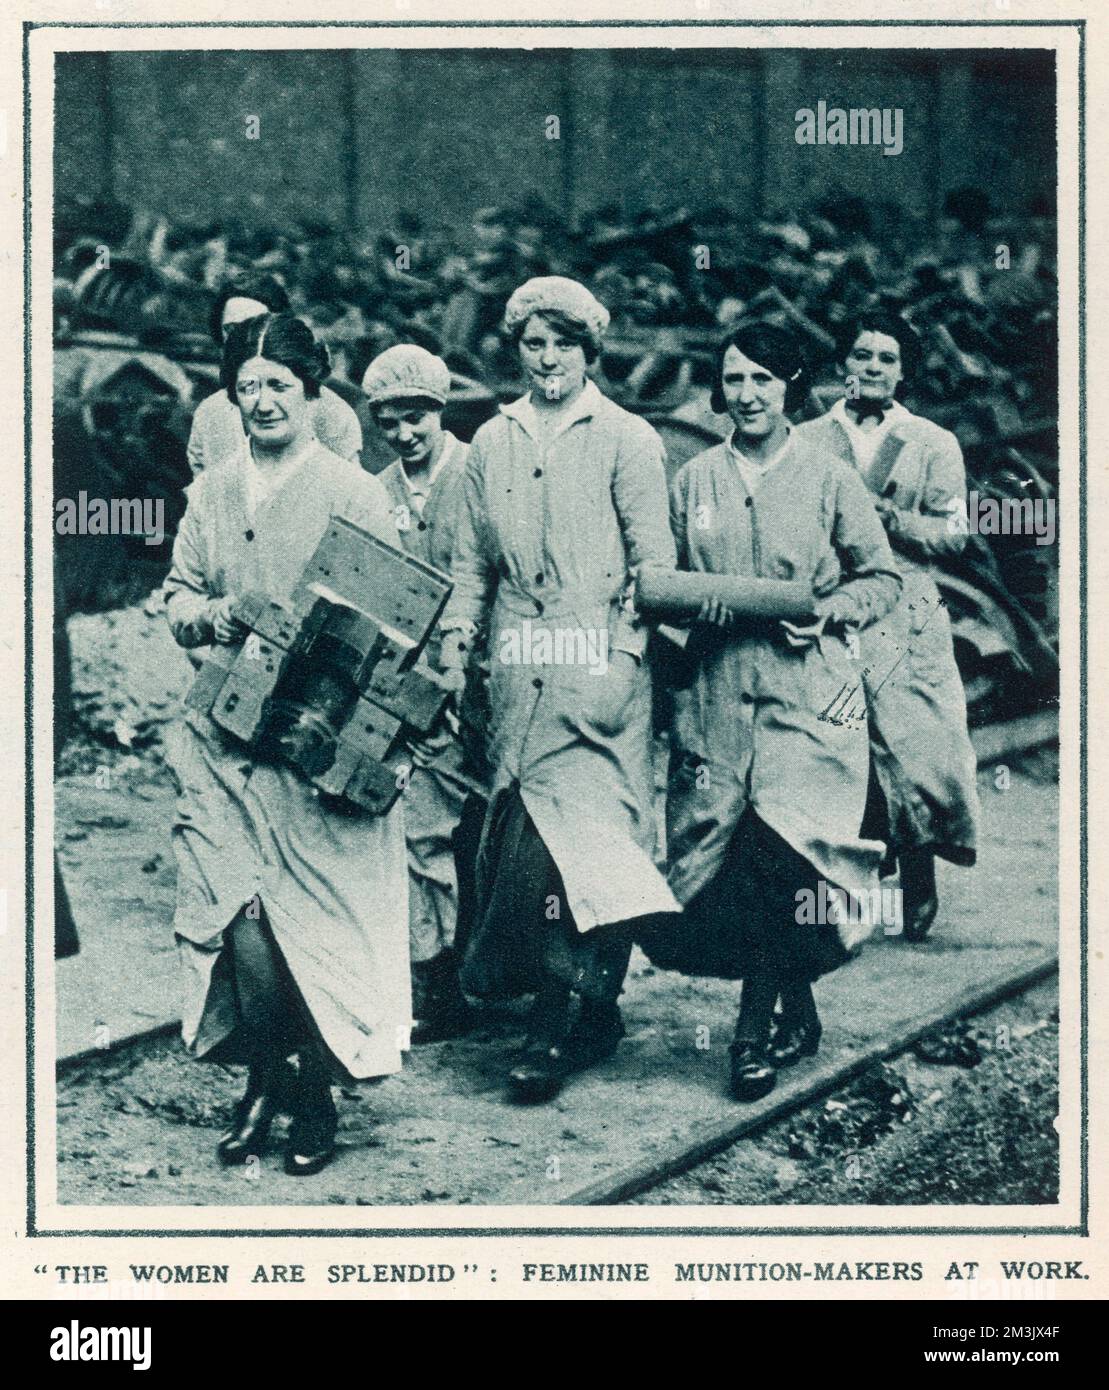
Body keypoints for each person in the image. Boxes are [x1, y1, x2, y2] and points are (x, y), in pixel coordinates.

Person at [163, 313, 410, 1176]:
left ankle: (310, 1095)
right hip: (219, 742)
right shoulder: (213, 491)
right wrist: (210, 614)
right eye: (247, 390)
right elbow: (179, 594)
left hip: (313, 747)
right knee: (242, 924)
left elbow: (394, 623)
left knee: (310, 925)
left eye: (279, 387)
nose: (262, 403)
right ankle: (263, 1082)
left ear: (313, 394)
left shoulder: (355, 493)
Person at [641, 324, 903, 1101]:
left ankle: (750, 1034)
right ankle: (798, 1004)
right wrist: (688, 616)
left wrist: (826, 613)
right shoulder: (693, 481)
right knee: (723, 866)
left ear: (791, 385)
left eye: (761, 379)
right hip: (718, 702)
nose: (746, 395)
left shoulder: (828, 479)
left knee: (782, 858)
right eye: (733, 380)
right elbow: (664, 585)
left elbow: (880, 578)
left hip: (807, 701)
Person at [439, 275, 679, 1104]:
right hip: (516, 664)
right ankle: (574, 1004)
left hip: (596, 662)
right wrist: (453, 649)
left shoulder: (627, 439)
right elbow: (471, 566)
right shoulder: (490, 443)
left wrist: (619, 662)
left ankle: (565, 1014)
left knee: (586, 844)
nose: (547, 360)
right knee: (520, 839)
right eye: (533, 344)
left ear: (589, 351)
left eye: (563, 344)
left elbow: (656, 573)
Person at [798, 310, 980, 940]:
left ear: (902, 371)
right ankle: (855, 884)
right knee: (841, 741)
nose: (871, 368)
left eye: (885, 358)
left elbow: (954, 533)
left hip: (908, 607)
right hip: (839, 601)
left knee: (917, 739)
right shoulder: (809, 438)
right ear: (843, 365)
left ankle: (921, 869)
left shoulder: (932, 442)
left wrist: (888, 517)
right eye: (861, 356)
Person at [362, 344, 479, 1042]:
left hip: (486, 676)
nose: (404, 435)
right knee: (419, 827)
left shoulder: (478, 474)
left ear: (439, 412)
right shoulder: (374, 491)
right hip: (413, 688)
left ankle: (499, 970)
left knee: (493, 833)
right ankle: (434, 980)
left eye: (415, 419)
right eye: (389, 423)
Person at [186, 273, 362, 475]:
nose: (243, 340)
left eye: (257, 326)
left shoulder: (329, 411)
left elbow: (351, 495)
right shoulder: (210, 414)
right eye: (231, 330)